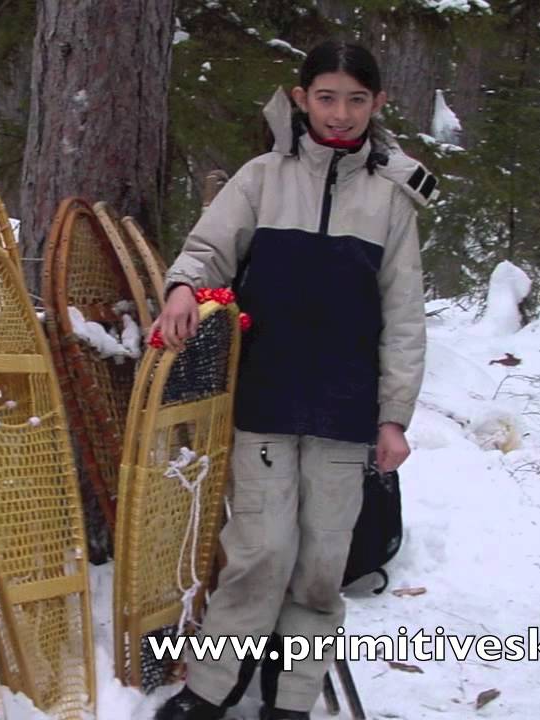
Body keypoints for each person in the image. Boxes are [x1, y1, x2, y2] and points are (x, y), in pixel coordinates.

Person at [150, 39, 434, 720]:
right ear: (302, 98)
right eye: (327, 97)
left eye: (357, 100)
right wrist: (186, 286)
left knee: (318, 567)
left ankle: (293, 698)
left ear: (378, 105)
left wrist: (394, 415)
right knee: (260, 551)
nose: (341, 113)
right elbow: (210, 247)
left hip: (346, 412)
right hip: (268, 398)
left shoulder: (392, 201)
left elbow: (403, 316)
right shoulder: (262, 178)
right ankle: (213, 688)